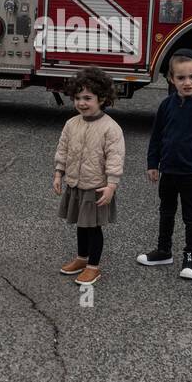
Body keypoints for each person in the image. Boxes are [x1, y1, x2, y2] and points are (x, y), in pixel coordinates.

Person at [137, 49, 192, 279]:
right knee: (166, 212)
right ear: (171, 80)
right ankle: (164, 250)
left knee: (191, 216)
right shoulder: (166, 106)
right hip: (168, 171)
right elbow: (156, 137)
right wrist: (152, 163)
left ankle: (190, 258)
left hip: (191, 173)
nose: (187, 82)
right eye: (181, 78)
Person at [54, 67, 125, 286]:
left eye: (88, 98)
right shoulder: (71, 123)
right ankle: (81, 259)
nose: (81, 103)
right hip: (76, 184)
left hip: (96, 187)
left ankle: (93, 267)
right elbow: (63, 149)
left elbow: (115, 158)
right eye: (77, 98)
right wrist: (59, 173)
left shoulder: (111, 128)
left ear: (102, 98)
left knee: (93, 227)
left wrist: (111, 185)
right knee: (81, 225)